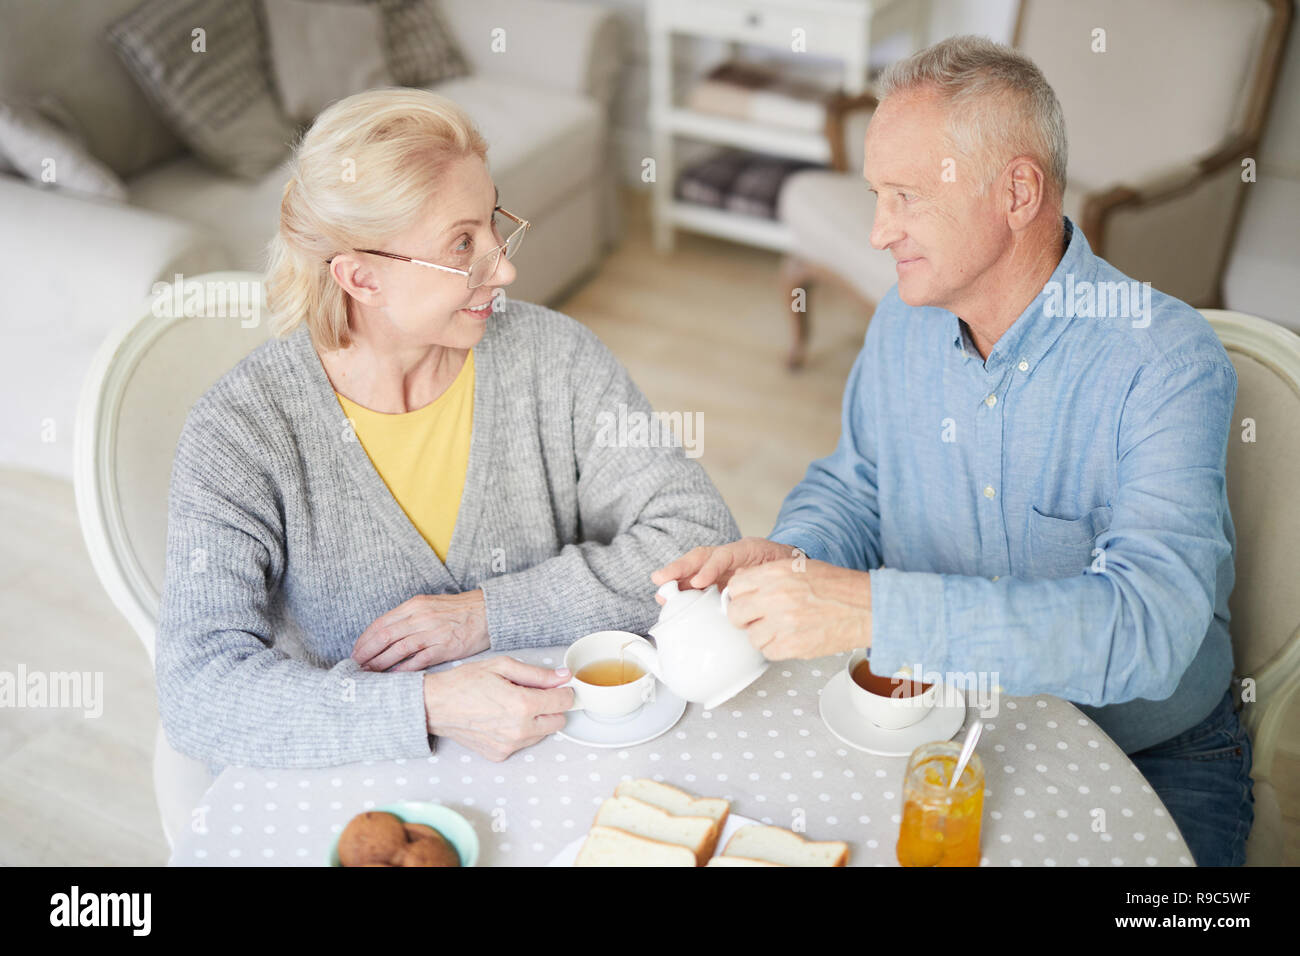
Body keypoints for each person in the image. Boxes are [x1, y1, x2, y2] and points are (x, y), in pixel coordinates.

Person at [654, 36, 1253, 866]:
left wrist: (873, 611)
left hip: (1150, 754)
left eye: (905, 196)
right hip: (942, 724)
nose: (875, 232)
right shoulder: (903, 320)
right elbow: (858, 485)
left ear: (1016, 191)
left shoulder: (1164, 360)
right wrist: (796, 559)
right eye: (876, 196)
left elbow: (1149, 627)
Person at [156, 88, 738, 771]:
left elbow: (701, 537)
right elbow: (198, 691)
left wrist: (486, 613)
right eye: (463, 242)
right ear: (361, 278)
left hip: (573, 758)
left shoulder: (554, 357)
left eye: (492, 222)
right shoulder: (241, 433)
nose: (506, 265)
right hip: (368, 787)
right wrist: (427, 706)